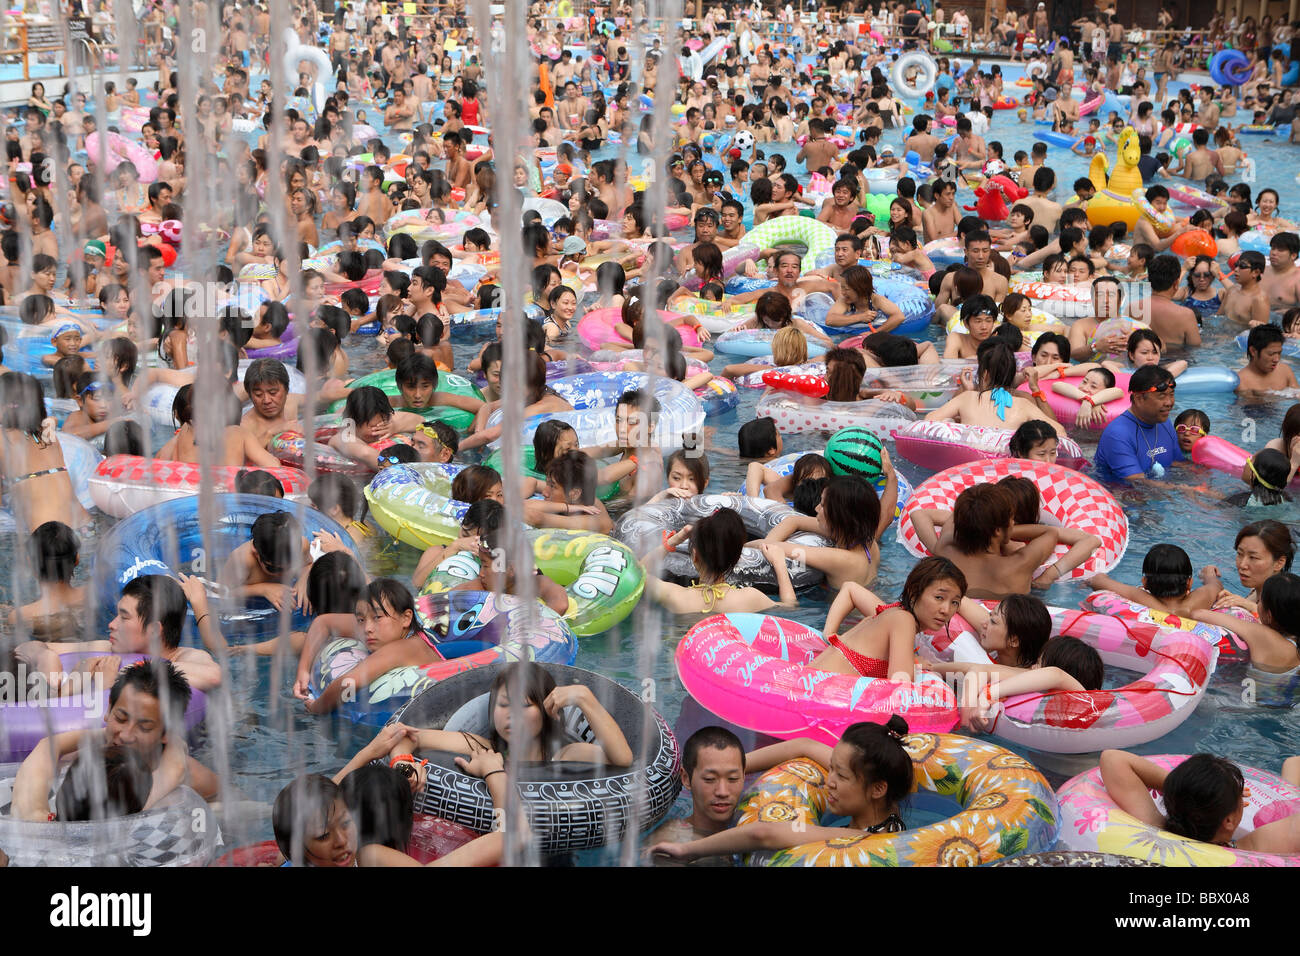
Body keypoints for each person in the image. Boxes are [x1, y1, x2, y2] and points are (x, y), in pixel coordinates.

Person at [647, 716, 916, 863]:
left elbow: (764, 833)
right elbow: (805, 745)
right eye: (830, 768)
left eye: (840, 775)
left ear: (878, 788)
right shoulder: (887, 800)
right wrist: (730, 771)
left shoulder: (860, 837)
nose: (828, 780)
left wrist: (687, 851)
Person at [10, 660, 219, 820]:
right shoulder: (91, 756)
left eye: (144, 727)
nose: (126, 736)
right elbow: (49, 745)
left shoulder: (195, 778)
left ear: (167, 731)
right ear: (108, 709)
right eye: (120, 718)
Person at [908, 482, 1101, 596]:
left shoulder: (944, 550)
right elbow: (1050, 533)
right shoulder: (1019, 564)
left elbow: (927, 515)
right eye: (1011, 519)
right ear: (998, 531)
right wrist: (1008, 533)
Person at [1099, 750, 1300, 853]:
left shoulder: (1154, 825)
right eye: (1239, 797)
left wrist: (1188, 787)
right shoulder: (1251, 848)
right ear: (1228, 821)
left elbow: (1112, 758)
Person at [643, 507, 795, 615]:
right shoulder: (749, 598)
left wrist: (672, 541)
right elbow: (790, 607)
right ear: (736, 559)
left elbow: (635, 573)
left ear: (694, 555)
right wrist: (779, 564)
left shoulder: (675, 596)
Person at [650, 727, 747, 863]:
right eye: (709, 779)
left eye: (733, 778)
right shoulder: (672, 844)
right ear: (686, 779)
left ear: (743, 776)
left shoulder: (749, 816)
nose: (722, 792)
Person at [1092, 364, 1183, 484]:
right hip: (1123, 497)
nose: (1169, 402)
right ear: (1139, 398)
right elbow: (1138, 483)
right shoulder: (1117, 434)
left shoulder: (1164, 422)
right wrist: (1187, 491)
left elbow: (1178, 463)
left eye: (1171, 394)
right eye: (1162, 396)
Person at [1086, 543, 1222, 618]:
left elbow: (1098, 580)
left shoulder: (1140, 598)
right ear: (1190, 583)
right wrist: (1209, 573)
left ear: (1145, 582)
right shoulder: (1201, 599)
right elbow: (1215, 585)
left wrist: (1091, 580)